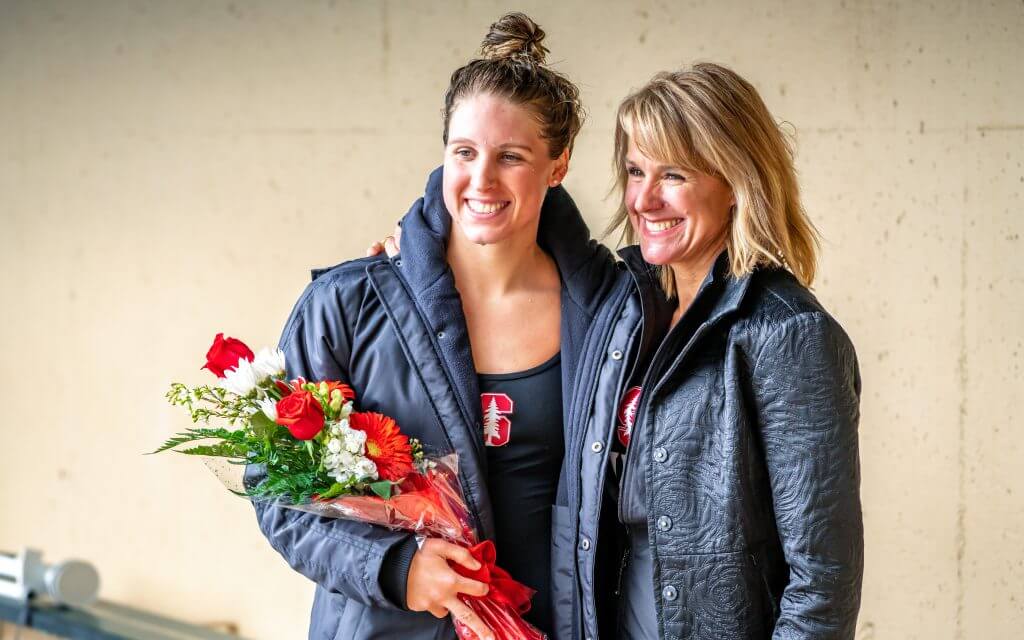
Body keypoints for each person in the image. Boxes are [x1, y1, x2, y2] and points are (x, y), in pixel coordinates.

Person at [250, 13, 617, 640]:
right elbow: (276, 493)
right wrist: (395, 568)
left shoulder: (611, 311)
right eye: (464, 152)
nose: (482, 179)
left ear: (558, 166)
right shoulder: (349, 304)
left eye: (511, 157)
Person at [565, 63, 864, 639]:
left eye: (673, 174)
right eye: (635, 171)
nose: (644, 199)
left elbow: (823, 582)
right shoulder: (633, 314)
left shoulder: (789, 333)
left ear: (735, 183)